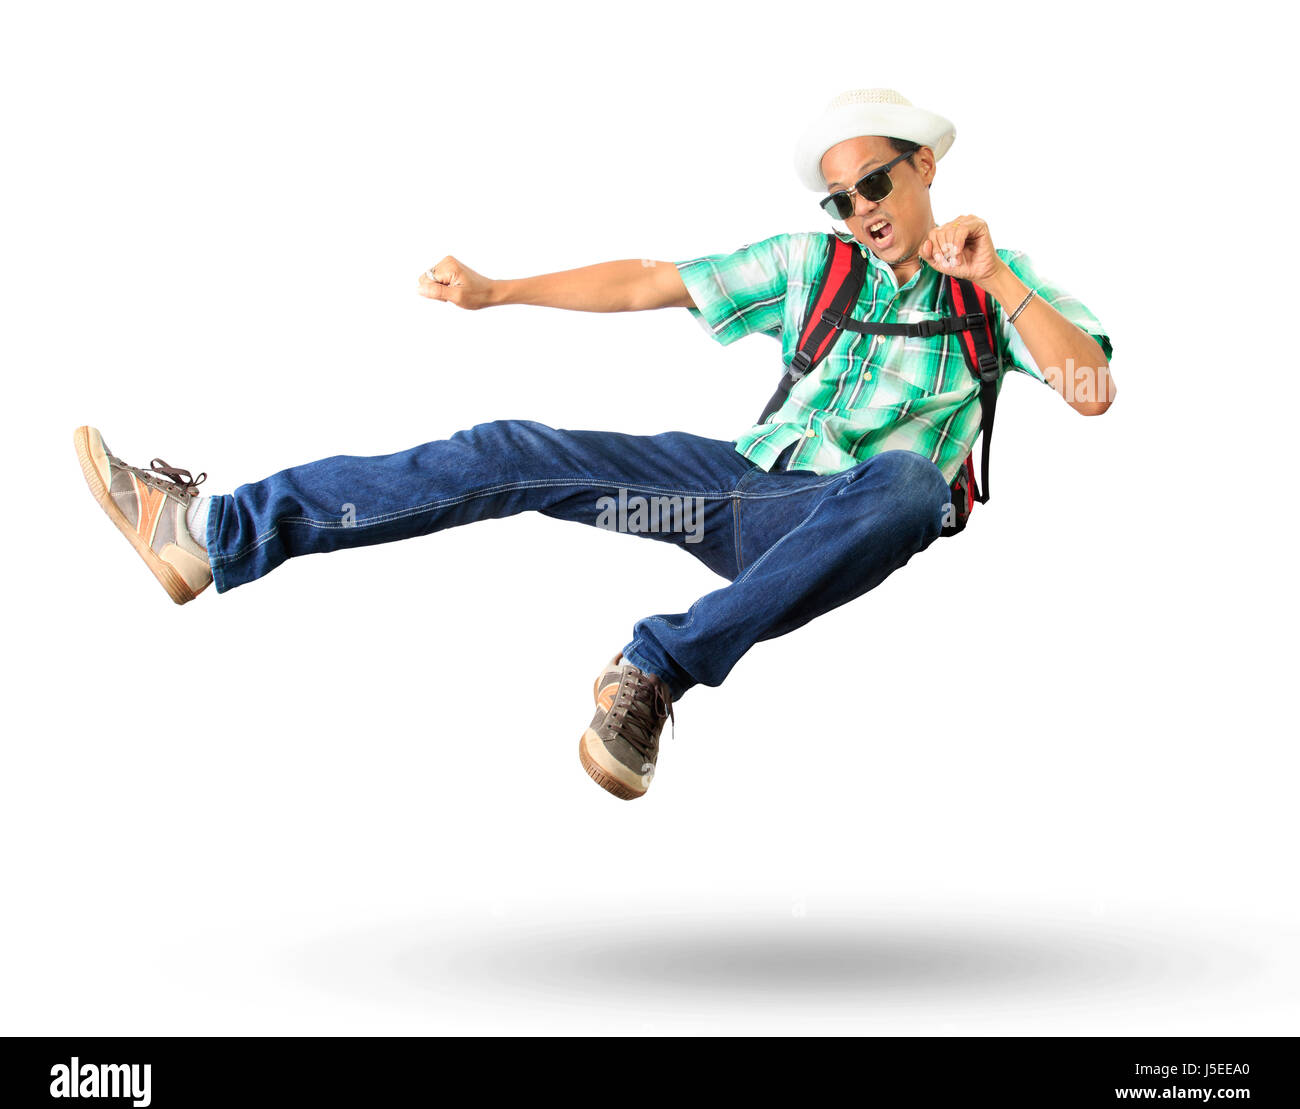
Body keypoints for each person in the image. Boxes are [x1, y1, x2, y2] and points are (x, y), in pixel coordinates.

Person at [73, 88, 1115, 801]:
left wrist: (996, 281)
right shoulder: (813, 261)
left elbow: (1089, 387)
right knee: (515, 450)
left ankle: (651, 674)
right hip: (722, 497)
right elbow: (649, 279)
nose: (860, 210)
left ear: (923, 166)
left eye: (875, 186)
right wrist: (499, 290)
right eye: (841, 198)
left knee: (905, 483)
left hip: (848, 514)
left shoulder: (996, 293)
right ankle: (216, 532)